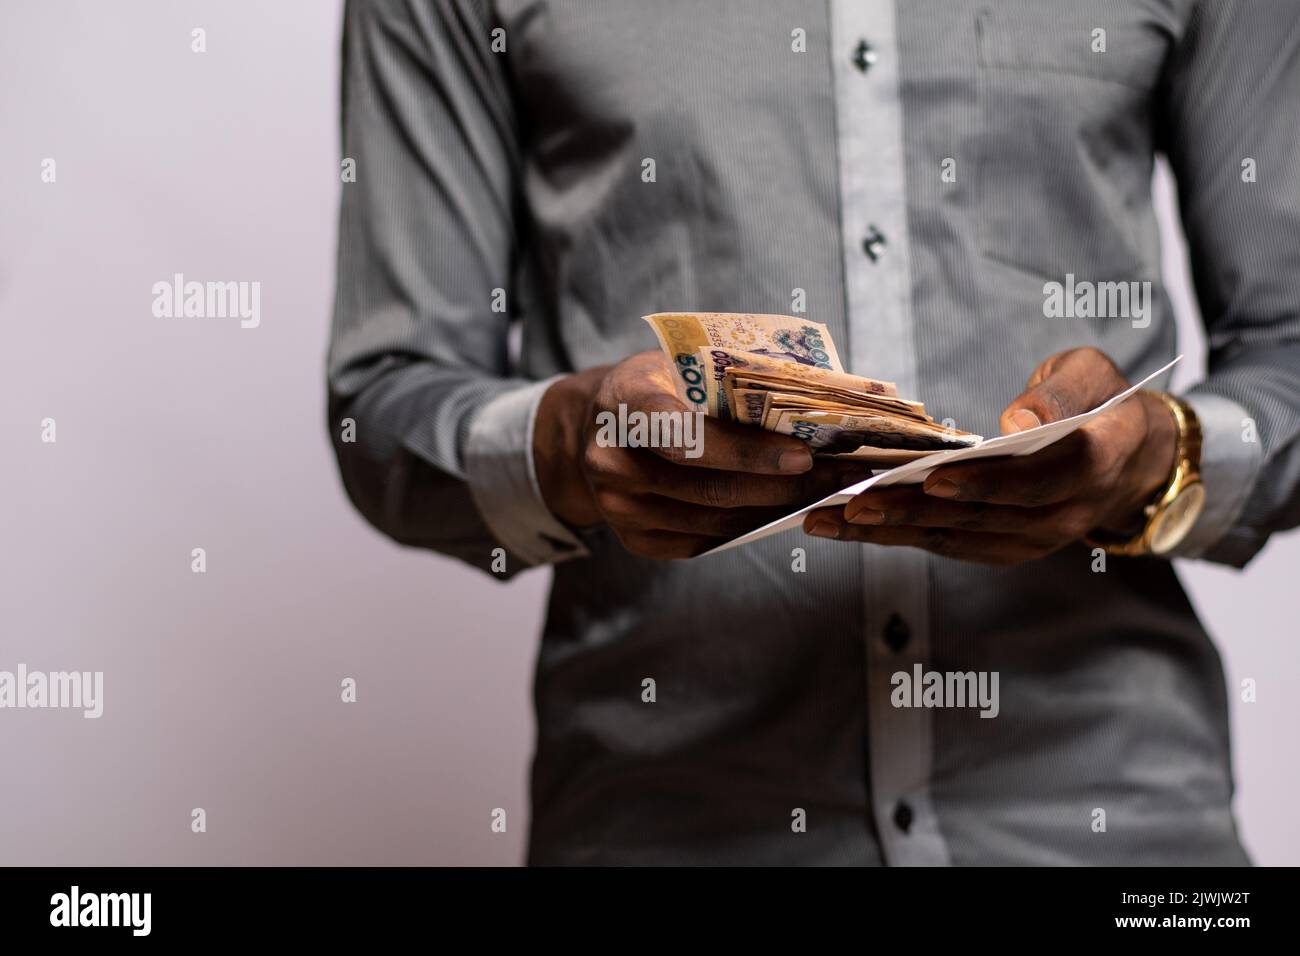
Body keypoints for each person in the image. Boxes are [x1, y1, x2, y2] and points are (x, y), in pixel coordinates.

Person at [327, 0, 1300, 865]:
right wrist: (566, 443)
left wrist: (1158, 455)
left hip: (1118, 823)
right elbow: (379, 403)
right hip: (669, 821)